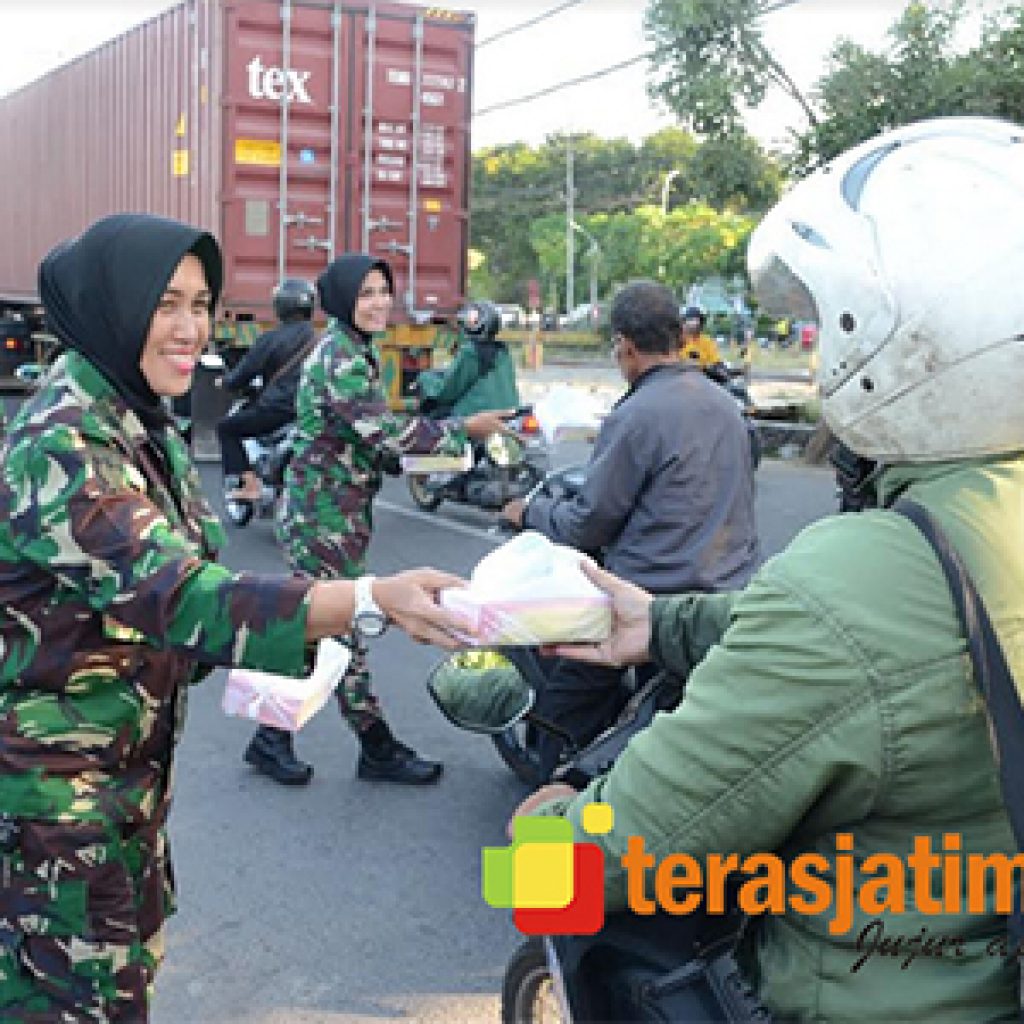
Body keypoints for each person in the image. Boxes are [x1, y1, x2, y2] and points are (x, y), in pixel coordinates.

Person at [514, 117, 1024, 1022]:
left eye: (828, 321)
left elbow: (621, 852)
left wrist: (536, 838)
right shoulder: (944, 536)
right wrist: (665, 623)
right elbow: (878, 647)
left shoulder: (860, 576)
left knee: (543, 884)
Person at [0, 214, 473, 1021]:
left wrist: (278, 653)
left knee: (120, 986)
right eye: (166, 304)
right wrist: (365, 600)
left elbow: (194, 588)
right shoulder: (64, 442)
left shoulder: (140, 418)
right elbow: (181, 595)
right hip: (61, 806)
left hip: (122, 790)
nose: (191, 329)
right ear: (113, 306)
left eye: (202, 303)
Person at [245, 253, 511, 787]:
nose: (379, 303)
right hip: (321, 515)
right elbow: (388, 438)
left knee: (311, 624)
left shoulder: (357, 351)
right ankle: (375, 745)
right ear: (345, 300)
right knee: (345, 622)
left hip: (336, 511)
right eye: (366, 294)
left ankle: (271, 738)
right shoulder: (341, 359)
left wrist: (458, 457)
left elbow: (387, 453)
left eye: (383, 291)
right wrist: (466, 430)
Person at [500, 280, 758, 777]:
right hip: (727, 595)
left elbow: (588, 523)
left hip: (646, 599)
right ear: (681, 337)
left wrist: (526, 514)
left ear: (626, 345)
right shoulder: (728, 406)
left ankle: (557, 791)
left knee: (565, 704)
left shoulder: (636, 414)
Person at [216, 277, 317, 501]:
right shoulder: (318, 340)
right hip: (310, 411)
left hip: (277, 411)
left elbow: (243, 375)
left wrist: (226, 382)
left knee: (226, 428)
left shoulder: (270, 340)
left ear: (280, 307)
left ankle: (250, 485)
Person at [415, 299, 520, 417]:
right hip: (511, 413)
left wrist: (424, 378)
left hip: (478, 417)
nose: (465, 323)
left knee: (434, 414)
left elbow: (446, 392)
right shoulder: (503, 351)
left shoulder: (470, 352)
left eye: (471, 320)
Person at [679, 304, 725, 375]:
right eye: (690, 320)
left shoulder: (706, 341)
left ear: (701, 323)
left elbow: (716, 361)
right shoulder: (678, 340)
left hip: (704, 375)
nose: (693, 323)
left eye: (696, 320)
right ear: (683, 322)